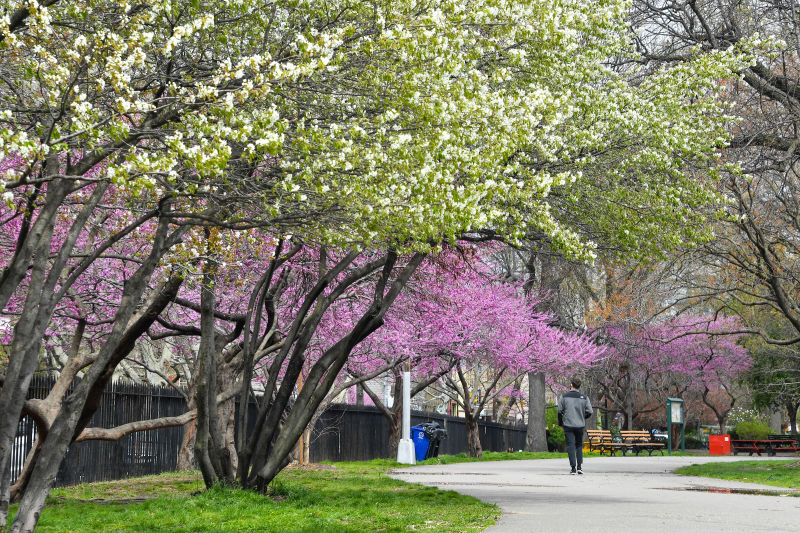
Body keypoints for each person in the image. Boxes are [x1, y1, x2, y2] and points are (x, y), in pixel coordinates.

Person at [558, 377, 593, 475]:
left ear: (571, 385)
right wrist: (583, 417)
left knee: (570, 445)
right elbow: (590, 411)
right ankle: (579, 467)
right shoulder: (584, 397)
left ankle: (573, 468)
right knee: (579, 445)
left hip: (568, 424)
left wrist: (561, 423)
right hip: (580, 425)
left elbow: (559, 411)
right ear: (579, 386)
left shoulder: (564, 396)